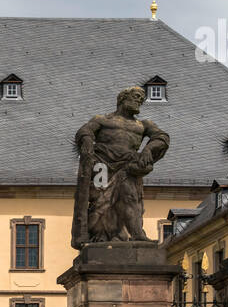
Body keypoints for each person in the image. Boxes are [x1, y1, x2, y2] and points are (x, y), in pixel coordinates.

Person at [72, 86, 169, 246]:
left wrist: (148, 149)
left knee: (131, 197)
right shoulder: (103, 120)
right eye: (136, 96)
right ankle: (100, 235)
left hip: (128, 167)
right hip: (102, 165)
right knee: (100, 200)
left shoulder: (143, 125)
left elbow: (162, 137)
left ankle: (137, 233)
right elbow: (84, 131)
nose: (140, 101)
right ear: (123, 98)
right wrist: (87, 139)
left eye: (142, 99)